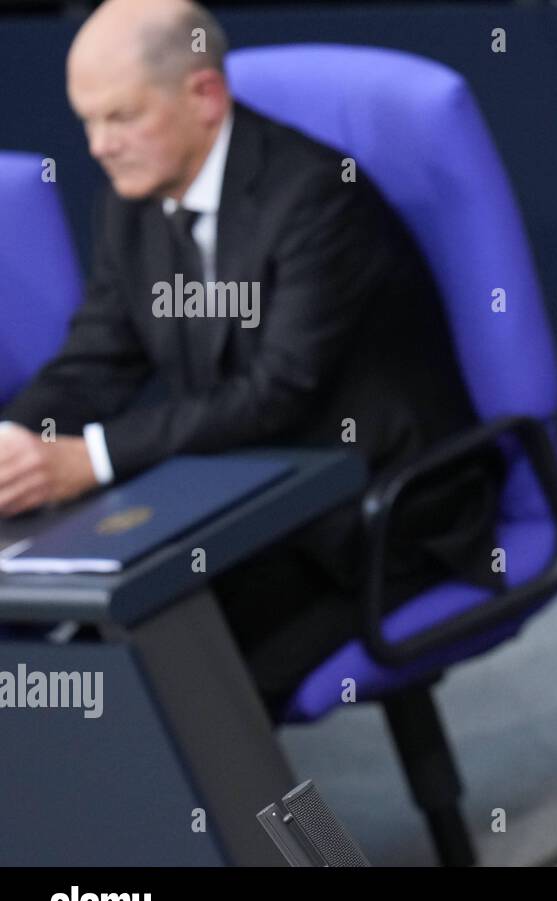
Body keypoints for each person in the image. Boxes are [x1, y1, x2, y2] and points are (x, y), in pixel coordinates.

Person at [0, 0, 502, 710]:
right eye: (88, 121)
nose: (98, 145)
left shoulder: (318, 195)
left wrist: (89, 460)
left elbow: (279, 389)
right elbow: (98, 357)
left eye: (120, 117)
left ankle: (283, 829)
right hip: (253, 514)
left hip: (380, 522)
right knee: (87, 669)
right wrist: (18, 441)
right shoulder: (133, 203)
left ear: (204, 95)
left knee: (182, 692)